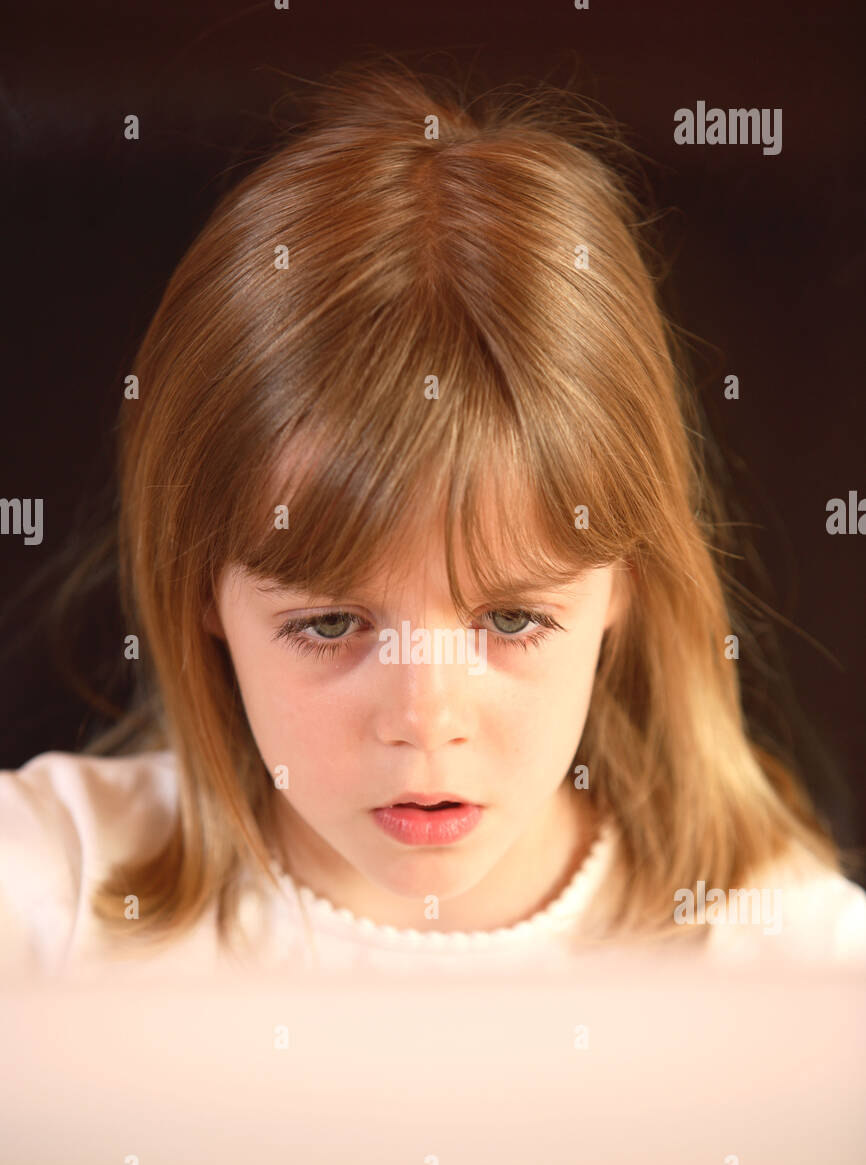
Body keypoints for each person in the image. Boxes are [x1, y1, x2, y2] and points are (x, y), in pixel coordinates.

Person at [2, 58, 863, 977]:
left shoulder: (792, 962)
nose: (426, 720)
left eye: (511, 618)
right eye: (330, 623)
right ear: (201, 590)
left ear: (628, 581)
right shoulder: (55, 884)